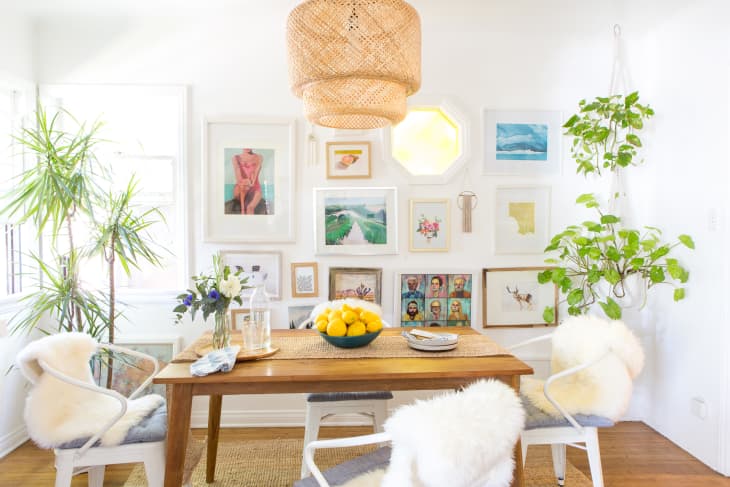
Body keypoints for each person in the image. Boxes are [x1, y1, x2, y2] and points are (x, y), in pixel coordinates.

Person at [232, 148, 263, 215]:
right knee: (242, 187)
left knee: (250, 207)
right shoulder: (236, 158)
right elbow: (238, 176)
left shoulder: (259, 157)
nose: (247, 147)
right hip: (241, 187)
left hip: (255, 187)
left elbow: (256, 173)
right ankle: (242, 211)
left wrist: (251, 183)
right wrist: (246, 182)